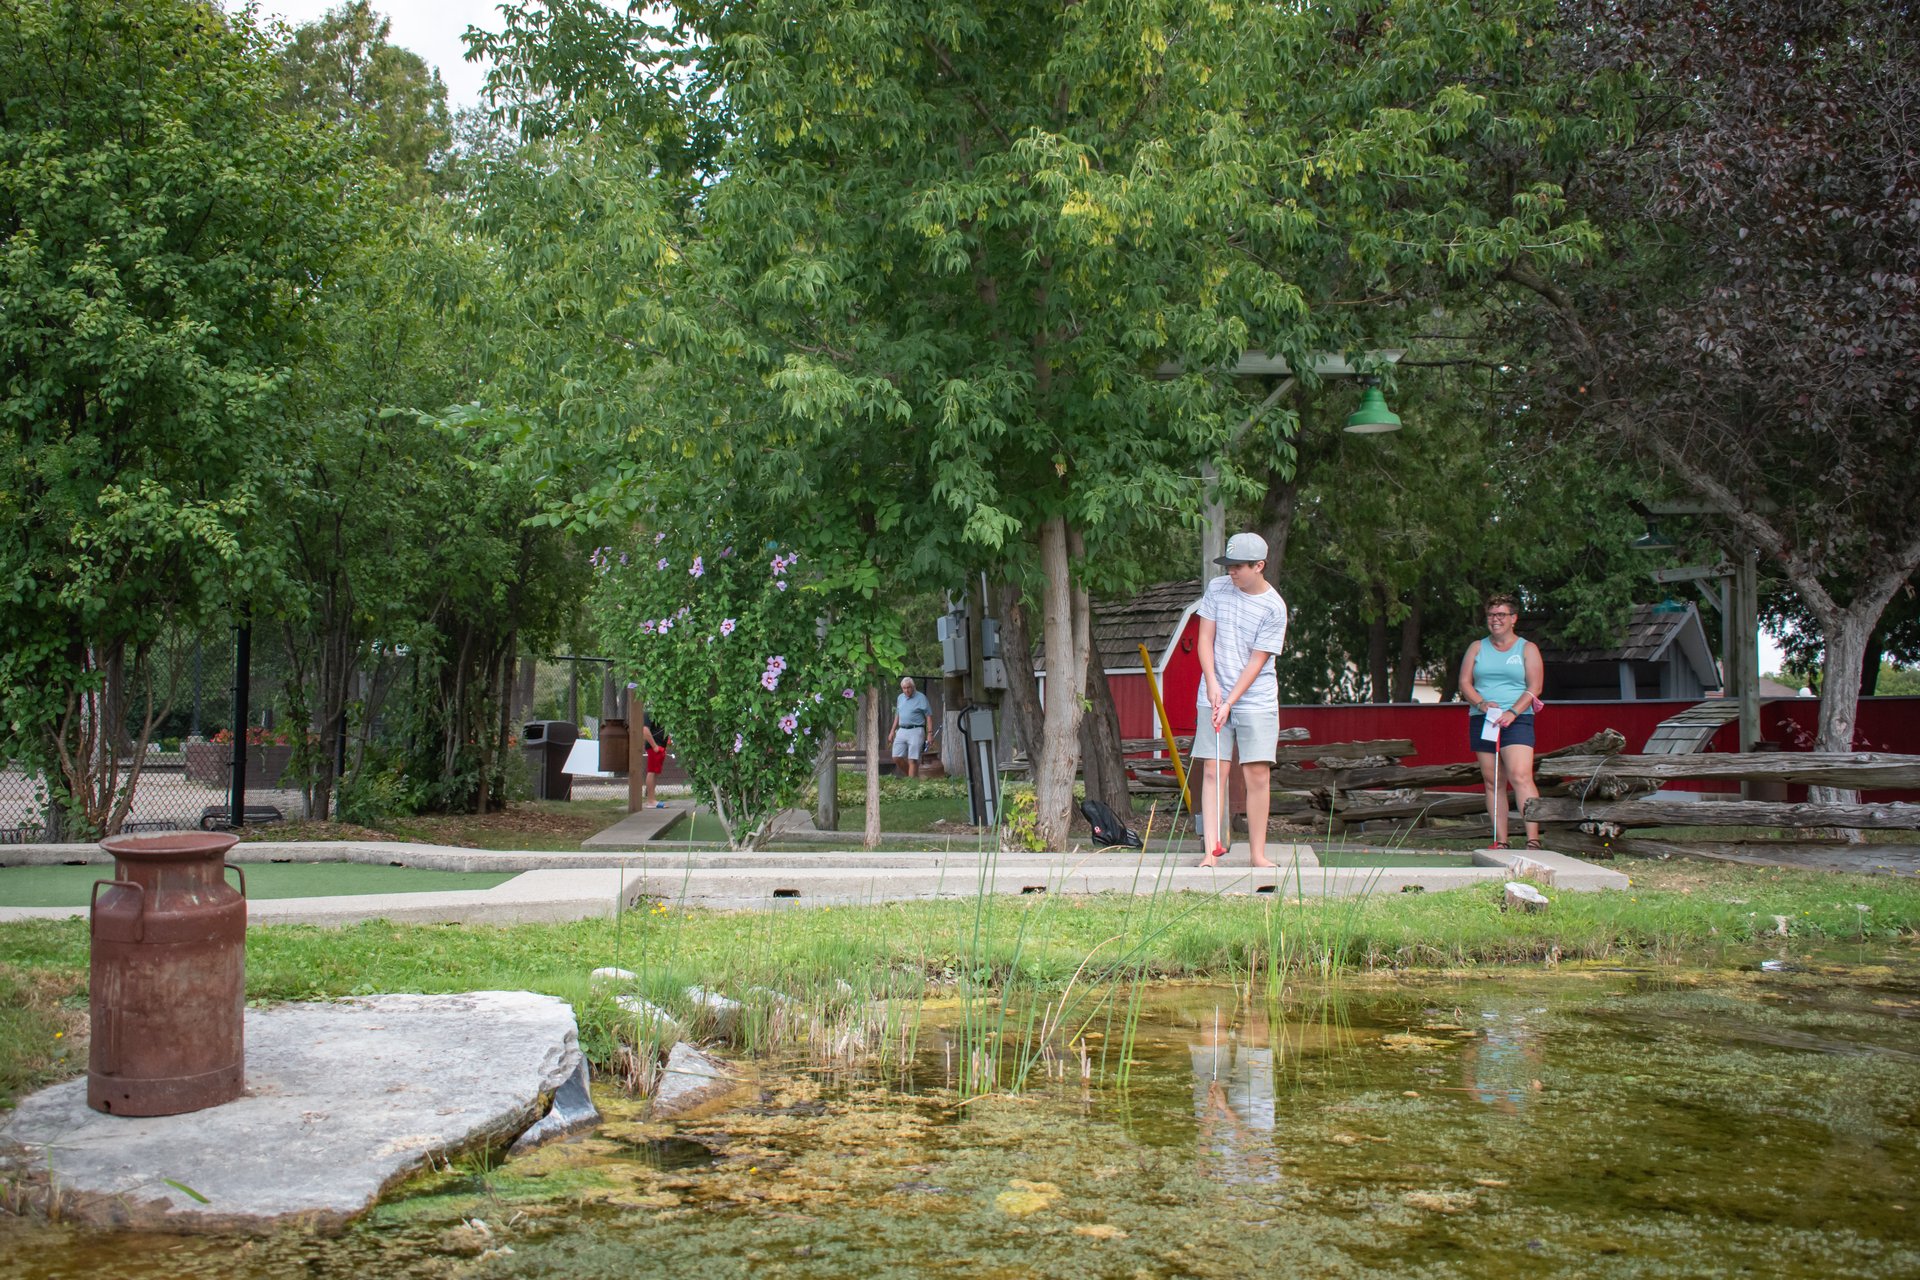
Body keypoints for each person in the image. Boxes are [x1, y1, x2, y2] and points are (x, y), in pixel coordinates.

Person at [1195, 532, 1289, 868]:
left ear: (1259, 566)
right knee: (1212, 770)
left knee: (1257, 774)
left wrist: (1231, 700)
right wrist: (1211, 684)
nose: (1231, 572)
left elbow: (1257, 661)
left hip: (1255, 698)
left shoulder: (1274, 608)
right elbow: (1205, 638)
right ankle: (1210, 852)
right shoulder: (1218, 588)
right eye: (1229, 566)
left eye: (1238, 567)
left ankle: (1257, 855)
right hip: (1214, 691)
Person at [1458, 593, 1545, 850]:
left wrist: (1514, 712)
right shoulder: (1477, 647)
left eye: (1501, 615)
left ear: (1513, 618)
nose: (1495, 620)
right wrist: (1482, 704)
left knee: (1520, 775)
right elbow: (1465, 683)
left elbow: (1535, 687)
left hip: (1517, 719)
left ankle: (1533, 839)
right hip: (1484, 719)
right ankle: (1501, 840)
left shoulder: (1527, 648)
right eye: (1491, 615)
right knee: (1492, 780)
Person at [889, 676, 932, 778]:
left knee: (912, 759)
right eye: (904, 688)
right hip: (902, 730)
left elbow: (929, 717)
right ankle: (913, 778)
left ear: (913, 687)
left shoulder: (921, 698)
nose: (906, 690)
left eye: (908, 687)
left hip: (916, 730)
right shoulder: (900, 697)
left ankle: (911, 784)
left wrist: (930, 733)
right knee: (896, 757)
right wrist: (892, 731)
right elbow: (897, 715)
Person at [640, 711, 671, 808]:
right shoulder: (649, 713)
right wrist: (654, 746)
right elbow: (645, 730)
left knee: (655, 772)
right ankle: (651, 801)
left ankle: (652, 799)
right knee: (652, 771)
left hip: (660, 747)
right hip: (655, 747)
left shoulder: (662, 713)